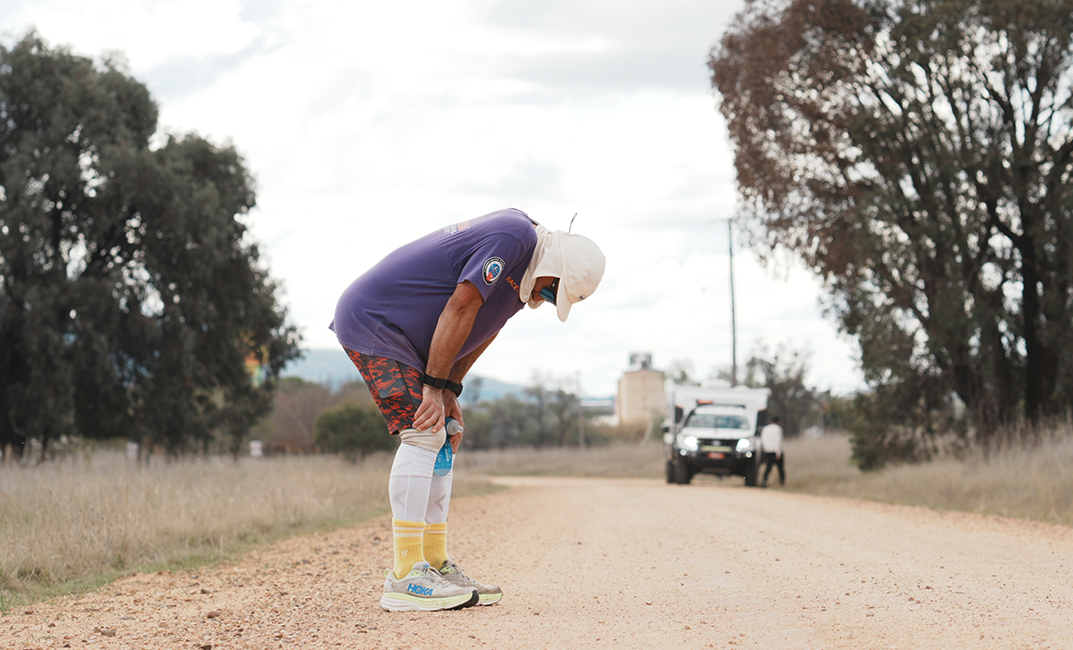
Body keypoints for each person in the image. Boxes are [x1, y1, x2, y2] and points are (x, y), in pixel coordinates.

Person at [330, 207, 605, 612]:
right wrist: (433, 387)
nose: (544, 301)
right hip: (376, 320)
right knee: (423, 429)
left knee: (446, 433)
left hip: (415, 341)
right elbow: (461, 306)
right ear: (554, 266)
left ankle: (436, 564)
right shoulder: (515, 238)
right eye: (551, 292)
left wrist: (450, 390)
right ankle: (406, 575)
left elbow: (482, 331)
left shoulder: (522, 273)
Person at [760, 416, 785, 487]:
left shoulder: (765, 429)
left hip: (767, 451)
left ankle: (764, 481)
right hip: (775, 451)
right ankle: (782, 483)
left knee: (768, 468)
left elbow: (763, 439)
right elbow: (778, 441)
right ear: (778, 422)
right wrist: (778, 453)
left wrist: (765, 450)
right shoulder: (778, 429)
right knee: (780, 469)